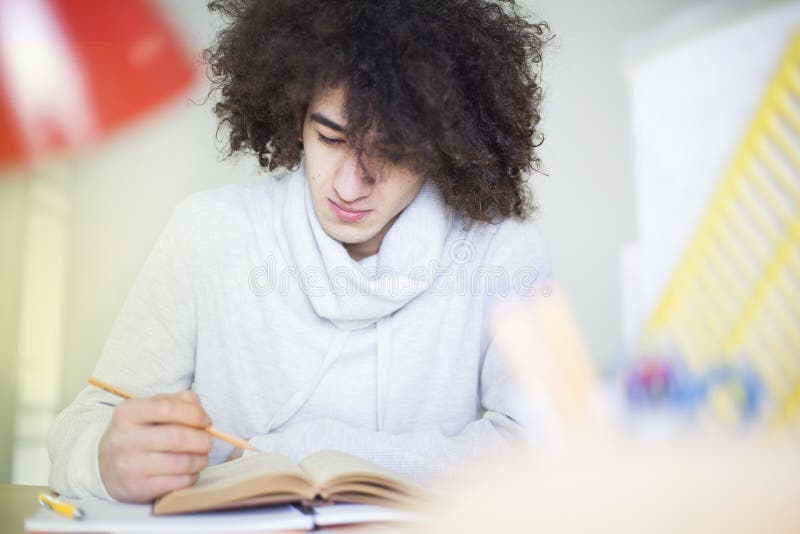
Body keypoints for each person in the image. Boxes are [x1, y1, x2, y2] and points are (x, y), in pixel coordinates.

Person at [48, 0, 552, 502]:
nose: (349, 187)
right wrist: (103, 460)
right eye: (330, 138)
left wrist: (304, 449)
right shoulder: (208, 231)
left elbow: (545, 446)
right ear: (298, 117)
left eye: (393, 153)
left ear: (443, 148)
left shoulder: (499, 253)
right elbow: (88, 421)